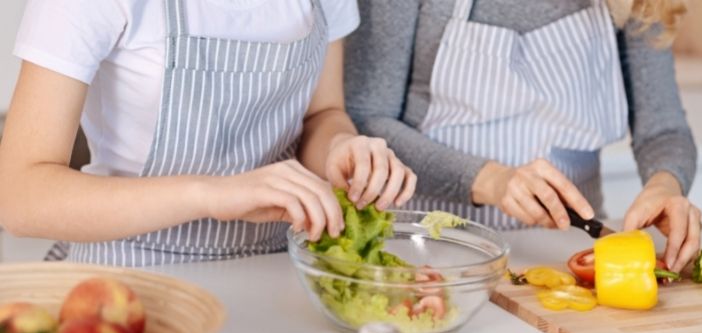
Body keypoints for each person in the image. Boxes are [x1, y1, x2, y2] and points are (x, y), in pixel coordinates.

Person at [0, 0, 416, 266]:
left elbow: (323, 114)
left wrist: (340, 147)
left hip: (279, 271)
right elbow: (19, 198)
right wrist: (214, 194)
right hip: (130, 276)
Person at [345, 0, 701, 272]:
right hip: (428, 255)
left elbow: (663, 128)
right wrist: (492, 181)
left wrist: (664, 186)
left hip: (567, 254)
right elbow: (366, 119)